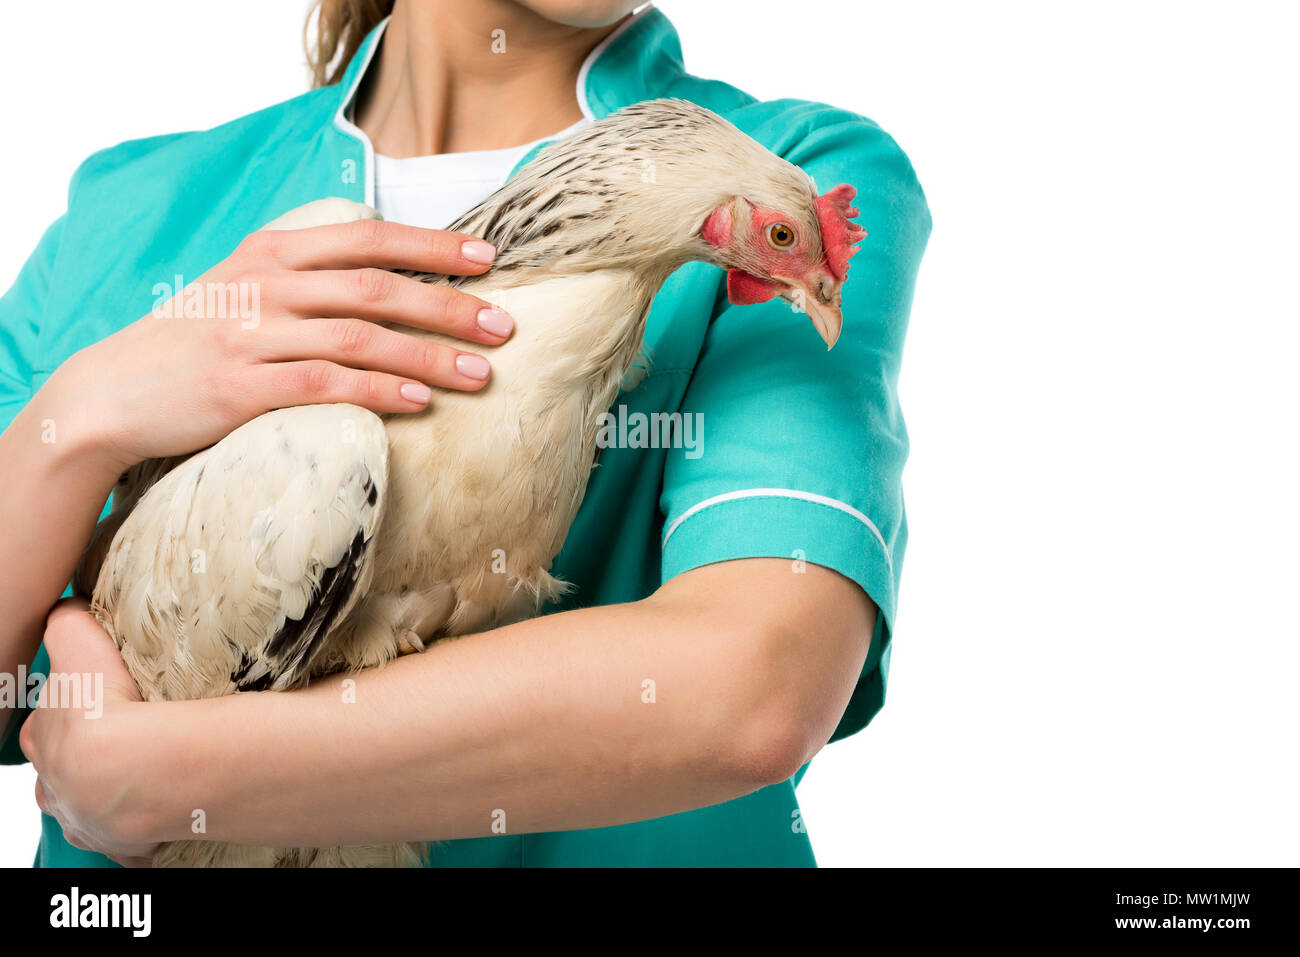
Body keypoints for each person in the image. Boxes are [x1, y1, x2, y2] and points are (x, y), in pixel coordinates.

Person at [0, 0, 930, 867]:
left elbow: (750, 689)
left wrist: (171, 778)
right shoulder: (123, 210)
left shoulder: (797, 164)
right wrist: (76, 418)